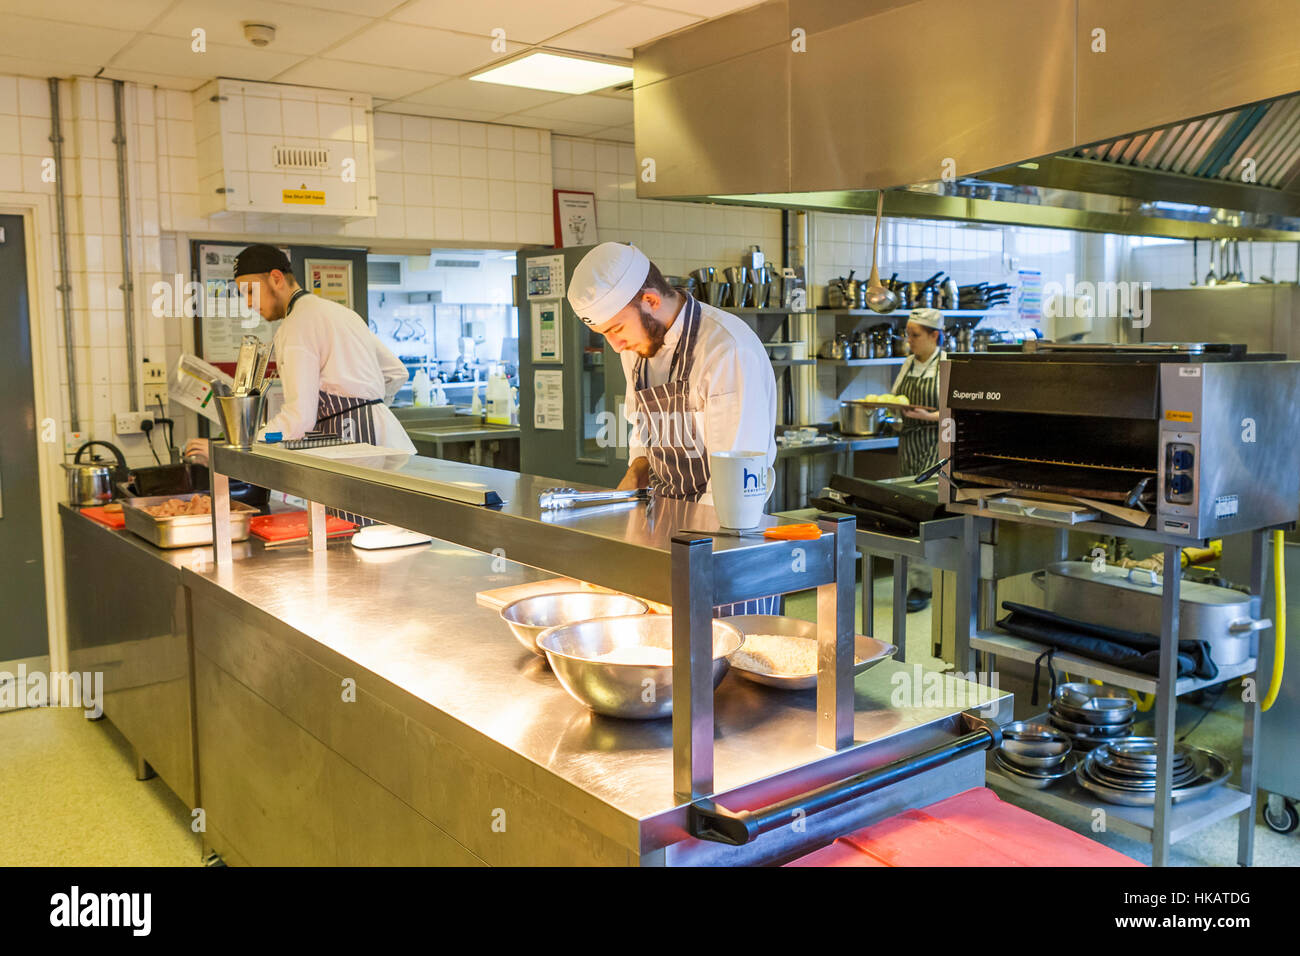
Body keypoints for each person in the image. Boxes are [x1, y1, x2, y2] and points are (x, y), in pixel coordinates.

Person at [567, 242, 778, 613]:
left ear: (649, 299)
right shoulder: (637, 347)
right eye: (605, 334)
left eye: (616, 328)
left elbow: (733, 483)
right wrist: (636, 477)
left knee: (729, 658)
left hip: (725, 541)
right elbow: (641, 426)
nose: (615, 346)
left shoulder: (726, 350)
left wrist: (686, 561)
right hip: (667, 532)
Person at [183, 244, 414, 525]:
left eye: (251, 291)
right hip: (386, 444)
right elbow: (396, 372)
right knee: (387, 535)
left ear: (276, 278)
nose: (248, 303)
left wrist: (233, 448)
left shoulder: (295, 325)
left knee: (355, 537)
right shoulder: (339, 312)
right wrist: (368, 407)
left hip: (350, 447)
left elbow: (298, 419)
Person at [890, 307, 947, 611]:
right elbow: (896, 397)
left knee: (927, 516)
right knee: (907, 513)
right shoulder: (909, 363)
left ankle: (923, 586)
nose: (909, 340)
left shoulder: (946, 365)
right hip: (909, 445)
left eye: (915, 335)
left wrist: (930, 416)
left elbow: (954, 410)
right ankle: (913, 581)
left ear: (934, 335)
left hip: (935, 449)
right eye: (908, 334)